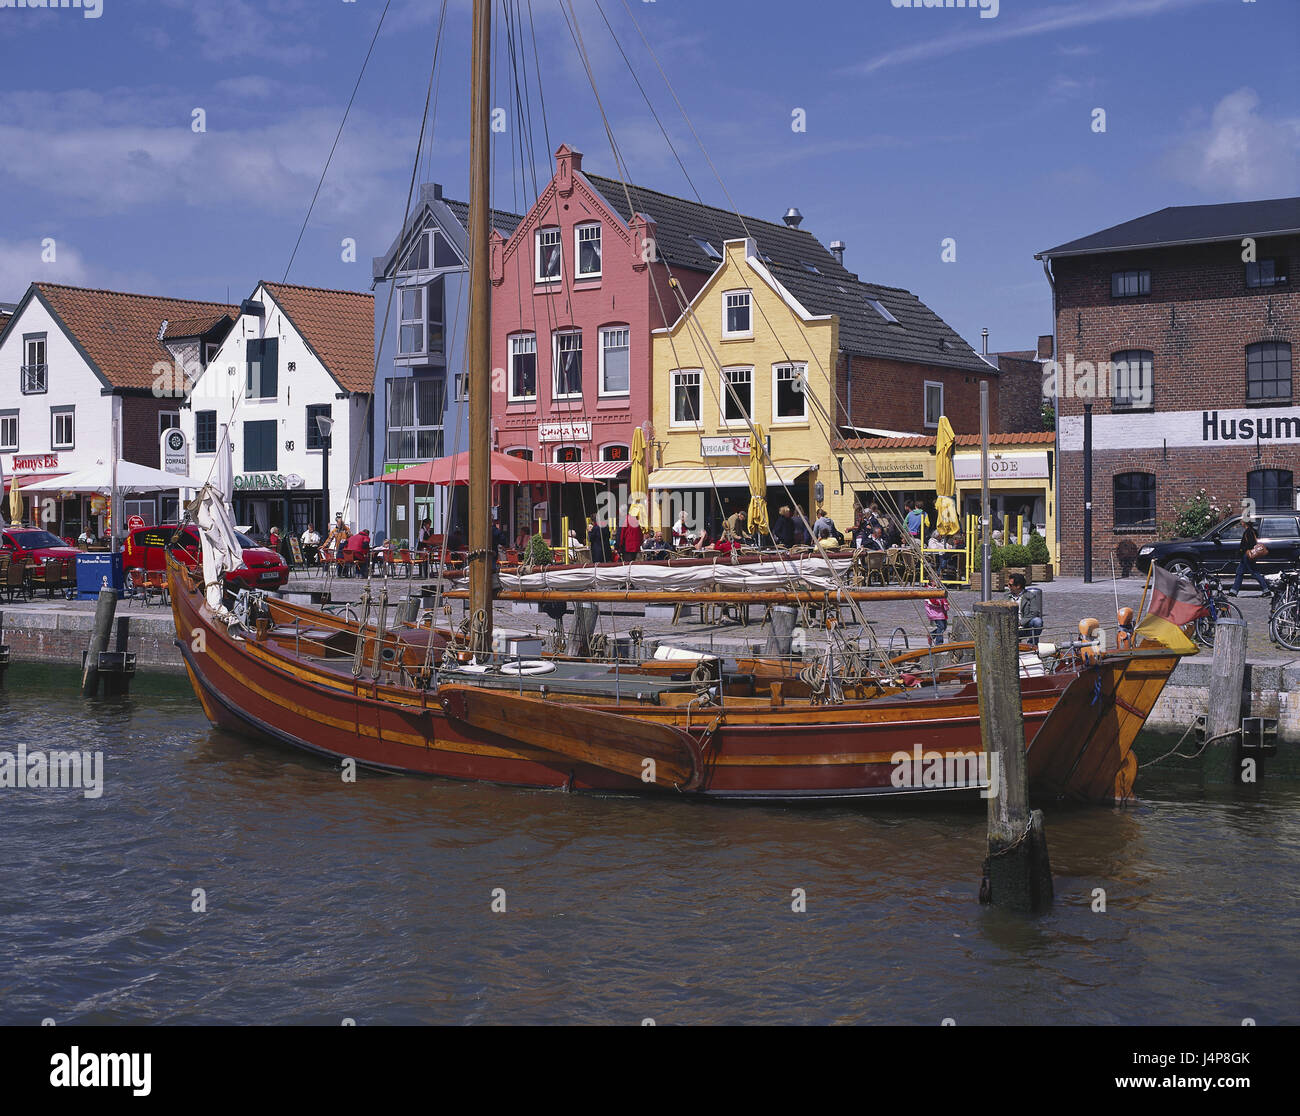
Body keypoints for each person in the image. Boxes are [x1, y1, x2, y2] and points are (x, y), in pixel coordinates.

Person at [1230, 516, 1269, 596]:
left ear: (1245, 523)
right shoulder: (1252, 531)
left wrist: (1242, 550)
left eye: (1242, 521)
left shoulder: (1248, 532)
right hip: (1246, 556)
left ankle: (1266, 590)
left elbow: (1250, 544)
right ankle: (1233, 591)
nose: (1241, 522)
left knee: (1254, 573)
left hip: (1247, 556)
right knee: (1239, 572)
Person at [1007, 573, 1042, 642]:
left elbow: (1034, 613)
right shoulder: (1006, 596)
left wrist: (1020, 622)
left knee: (1037, 621)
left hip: (1025, 625)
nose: (1008, 586)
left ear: (1018, 586)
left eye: (1010, 585)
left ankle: (1032, 643)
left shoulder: (1030, 596)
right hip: (1010, 625)